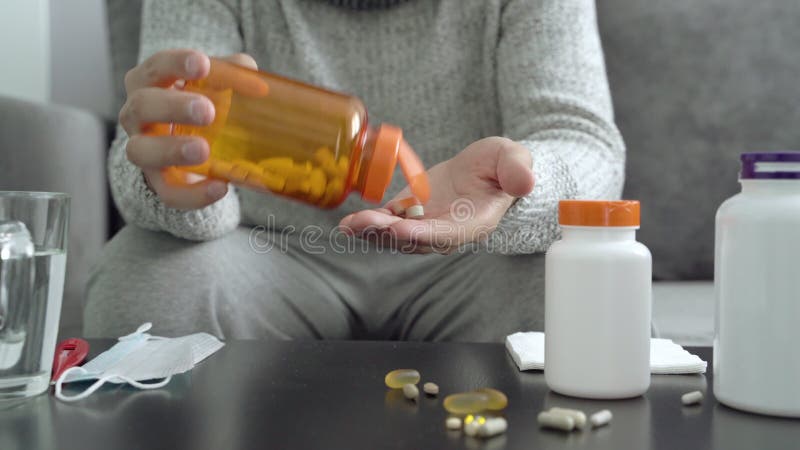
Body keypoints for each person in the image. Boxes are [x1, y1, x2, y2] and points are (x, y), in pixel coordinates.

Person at [84, 0, 625, 341]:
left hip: (474, 260)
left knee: (588, 283)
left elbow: (585, 142)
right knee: (146, 276)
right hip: (266, 254)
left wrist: (515, 191)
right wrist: (175, 180)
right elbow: (153, 136)